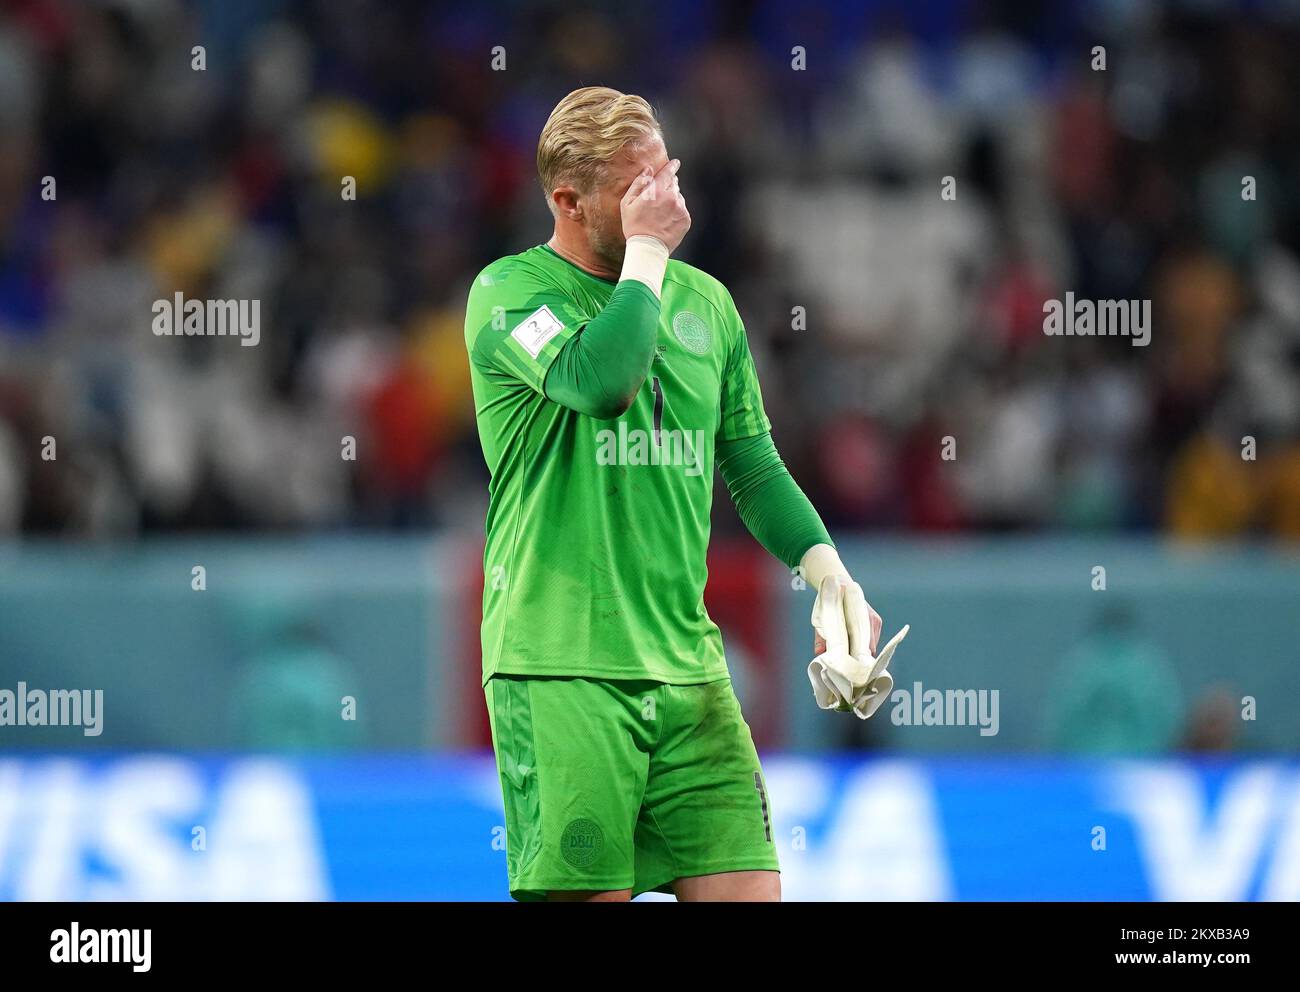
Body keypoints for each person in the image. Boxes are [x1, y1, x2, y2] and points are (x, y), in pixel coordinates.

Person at [463, 87, 902, 902]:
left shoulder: (710, 307)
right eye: (637, 188)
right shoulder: (509, 293)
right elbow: (604, 382)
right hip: (561, 669)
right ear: (566, 199)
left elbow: (754, 466)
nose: (665, 200)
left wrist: (828, 574)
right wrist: (648, 255)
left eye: (665, 172)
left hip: (689, 671)